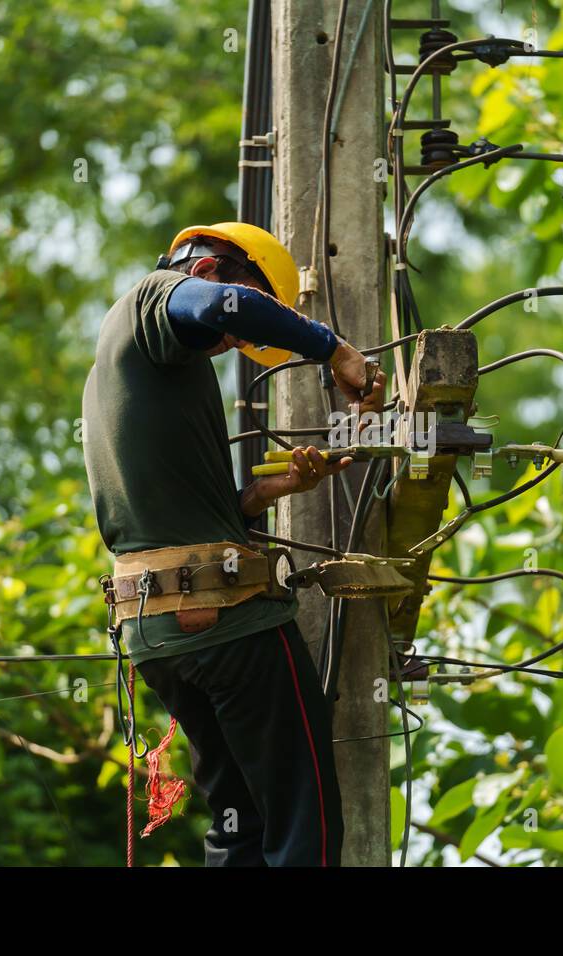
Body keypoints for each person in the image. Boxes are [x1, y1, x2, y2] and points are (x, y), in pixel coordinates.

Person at [81, 222, 384, 866]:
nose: (227, 343)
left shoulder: (131, 372)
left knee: (239, 828)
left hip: (161, 636)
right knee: (307, 824)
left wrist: (279, 489)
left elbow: (205, 514)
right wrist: (335, 351)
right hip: (229, 625)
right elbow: (230, 306)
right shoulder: (156, 299)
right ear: (211, 266)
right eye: (230, 340)